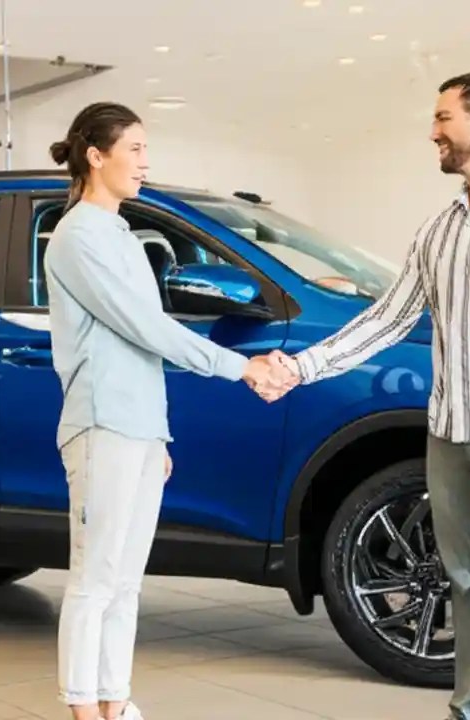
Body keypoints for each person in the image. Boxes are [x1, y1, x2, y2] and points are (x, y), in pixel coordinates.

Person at [262, 71, 470, 720]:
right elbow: (384, 320)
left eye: (444, 117)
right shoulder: (438, 229)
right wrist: (299, 368)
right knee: (467, 585)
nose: (433, 131)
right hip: (449, 435)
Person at [44, 101, 295, 720]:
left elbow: (143, 350)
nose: (144, 164)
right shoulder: (77, 236)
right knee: (94, 578)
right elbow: (145, 328)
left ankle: (115, 701)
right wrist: (242, 367)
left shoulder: (121, 234)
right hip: (100, 423)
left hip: (136, 427)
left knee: (127, 582)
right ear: (96, 156)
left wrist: (158, 438)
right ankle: (81, 708)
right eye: (134, 149)